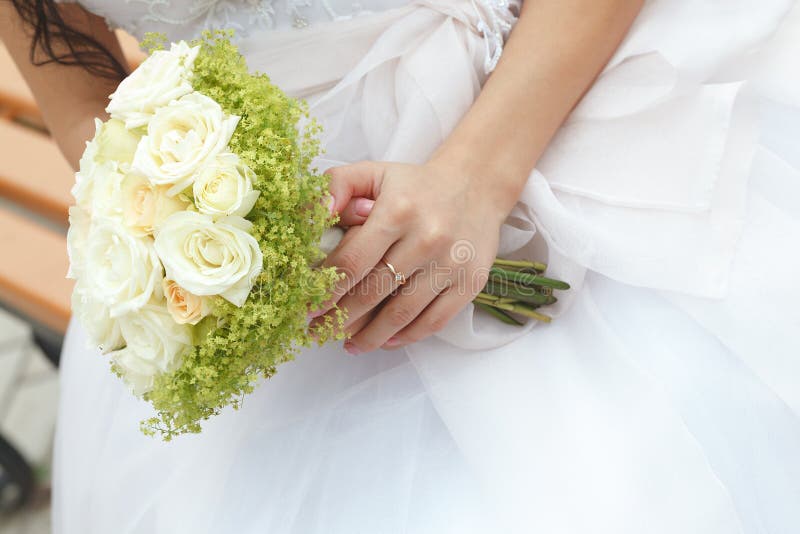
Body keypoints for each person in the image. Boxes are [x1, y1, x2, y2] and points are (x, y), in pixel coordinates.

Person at [2, 0, 799, 532]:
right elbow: (84, 98)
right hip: (269, 273)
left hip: (553, 109)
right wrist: (205, 229)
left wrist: (477, 179)